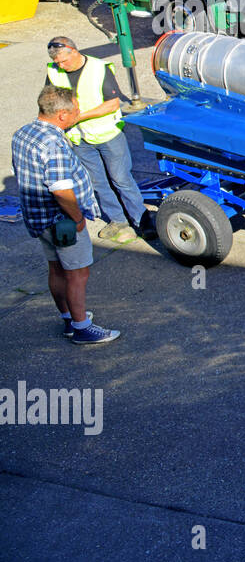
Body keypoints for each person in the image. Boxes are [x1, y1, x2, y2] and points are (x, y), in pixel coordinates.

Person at [11, 86, 121, 344]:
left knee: (56, 269)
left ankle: (68, 317)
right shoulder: (54, 143)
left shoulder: (23, 132)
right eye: (76, 110)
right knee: (77, 274)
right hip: (63, 223)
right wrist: (78, 218)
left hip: (38, 218)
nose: (78, 113)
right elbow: (61, 190)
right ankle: (82, 327)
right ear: (61, 115)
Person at [44, 35, 154, 243]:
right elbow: (50, 100)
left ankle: (142, 220)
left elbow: (112, 104)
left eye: (64, 61)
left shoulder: (98, 68)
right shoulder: (54, 71)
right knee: (98, 182)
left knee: (121, 179)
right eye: (57, 62)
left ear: (74, 51)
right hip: (79, 139)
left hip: (107, 135)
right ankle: (117, 220)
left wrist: (78, 117)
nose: (61, 66)